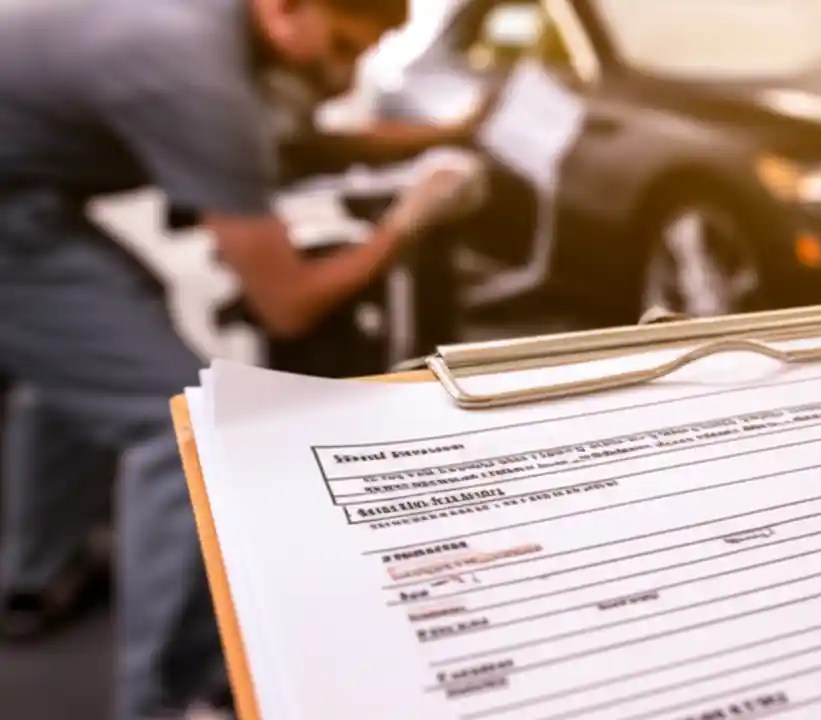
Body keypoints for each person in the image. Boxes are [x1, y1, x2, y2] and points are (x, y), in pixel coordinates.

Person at [0, 0, 483, 717]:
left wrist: (445, 136)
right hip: (16, 211)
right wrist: (406, 223)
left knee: (91, 357)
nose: (345, 71)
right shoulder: (195, 71)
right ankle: (167, 697)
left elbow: (309, 145)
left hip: (27, 189)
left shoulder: (218, 27)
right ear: (287, 12)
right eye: (347, 46)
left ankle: (34, 578)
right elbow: (286, 304)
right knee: (179, 425)